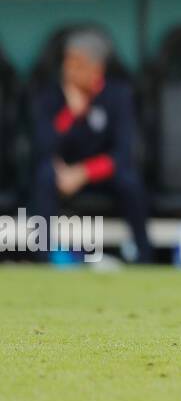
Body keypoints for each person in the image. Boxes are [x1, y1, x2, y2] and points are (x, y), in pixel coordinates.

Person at [28, 30, 152, 262]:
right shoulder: (52, 95)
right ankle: (41, 258)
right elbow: (41, 148)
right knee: (44, 174)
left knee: (130, 180)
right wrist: (69, 115)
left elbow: (124, 153)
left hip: (101, 174)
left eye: (77, 64)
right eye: (67, 62)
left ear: (97, 69)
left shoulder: (119, 95)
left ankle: (144, 256)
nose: (69, 70)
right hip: (62, 175)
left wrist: (84, 173)